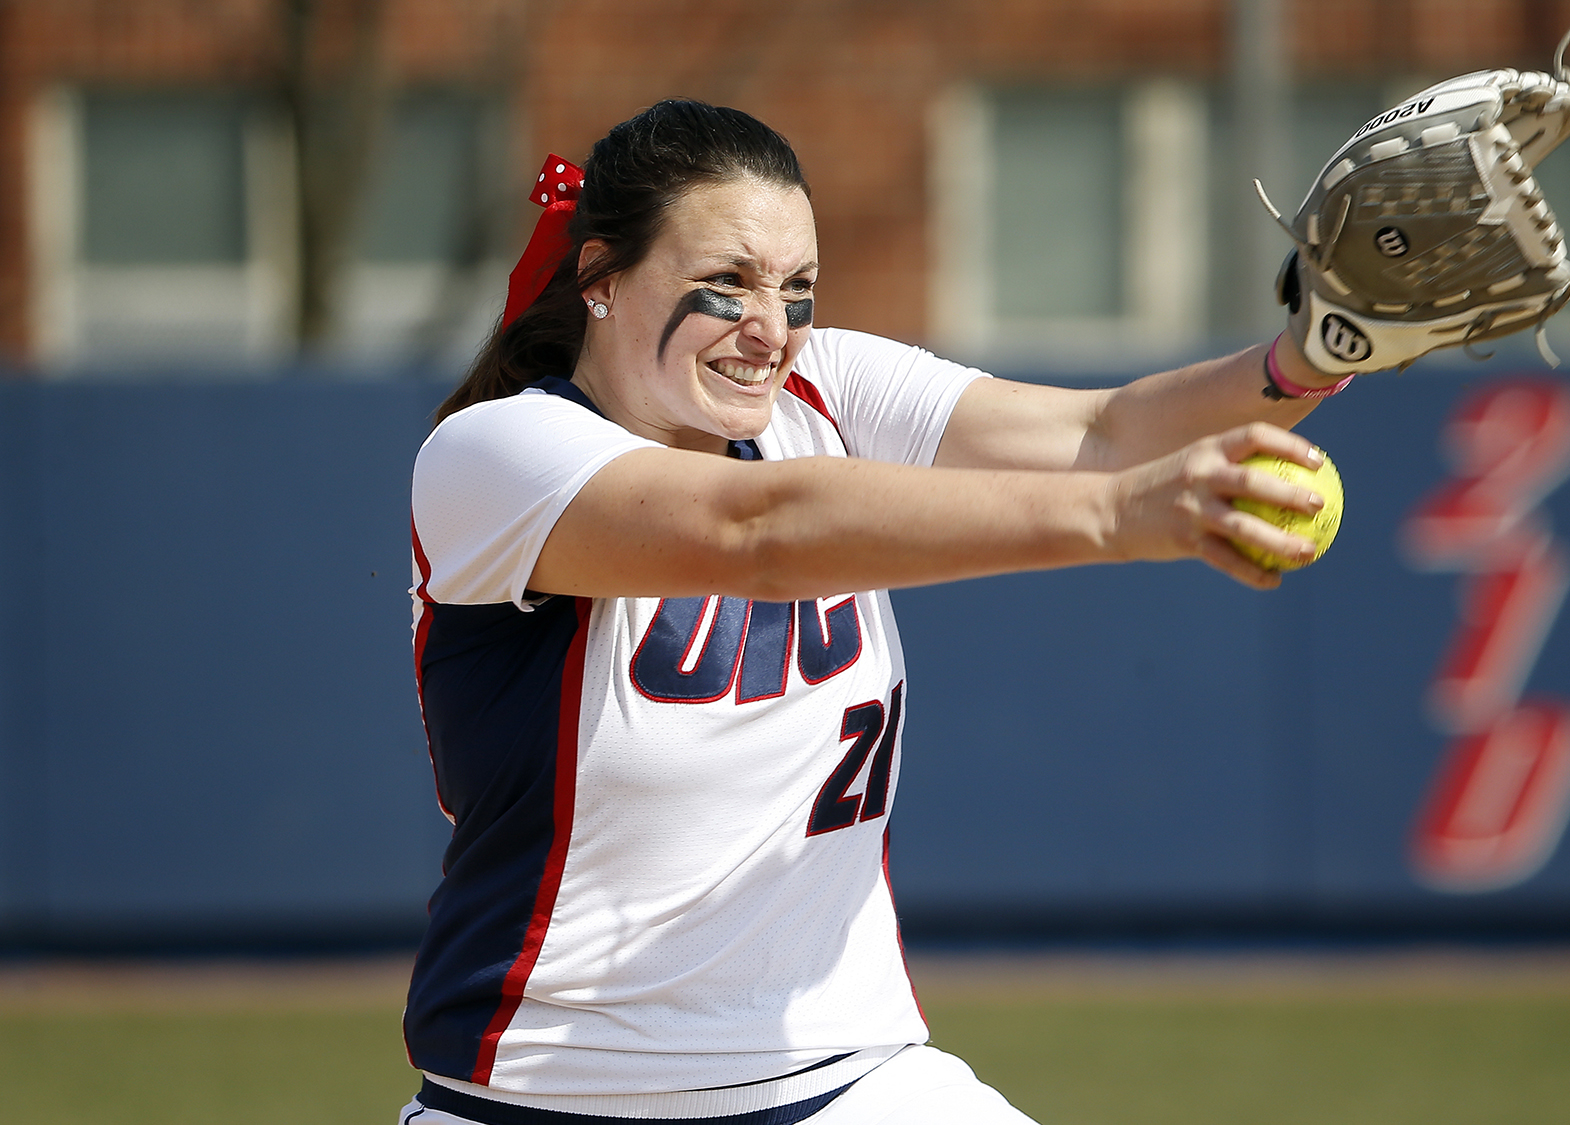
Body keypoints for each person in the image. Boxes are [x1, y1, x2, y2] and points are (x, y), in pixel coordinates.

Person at [400, 97, 1350, 1125]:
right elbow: (752, 533)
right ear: (600, 277)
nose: (769, 328)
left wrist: (1316, 352)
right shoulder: (492, 457)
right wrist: (1119, 516)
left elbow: (1106, 431)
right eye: (723, 284)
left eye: (796, 287)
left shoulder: (823, 388)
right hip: (551, 1099)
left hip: (848, 1078)